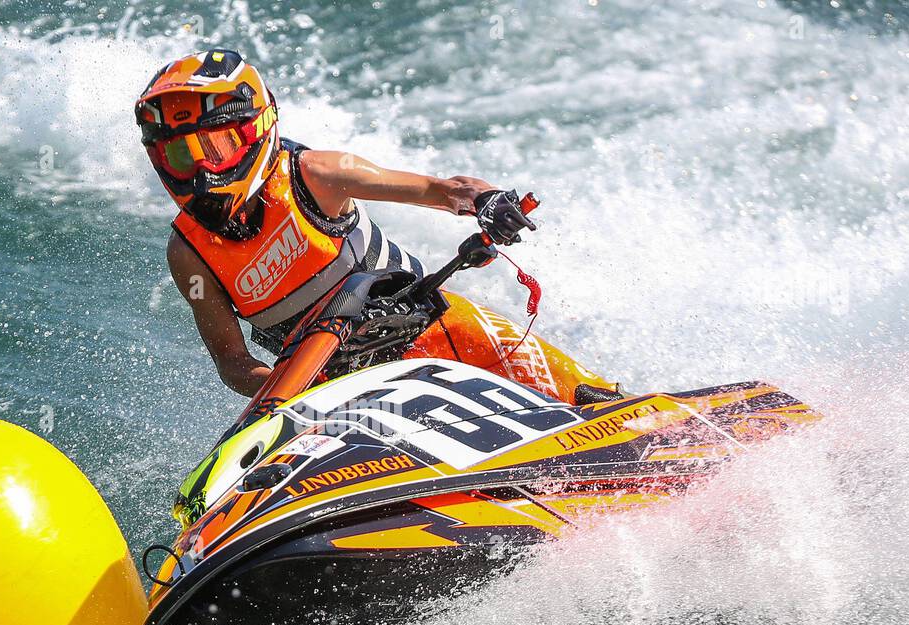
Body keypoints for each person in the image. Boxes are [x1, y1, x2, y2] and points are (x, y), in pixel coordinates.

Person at [135, 48, 622, 404]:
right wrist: (299, 398)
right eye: (180, 154)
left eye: (216, 147)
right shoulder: (189, 255)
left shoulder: (319, 174)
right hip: (341, 394)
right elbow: (234, 365)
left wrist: (485, 200)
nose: (202, 171)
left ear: (258, 128)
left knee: (592, 400)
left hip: (437, 330)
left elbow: (441, 190)